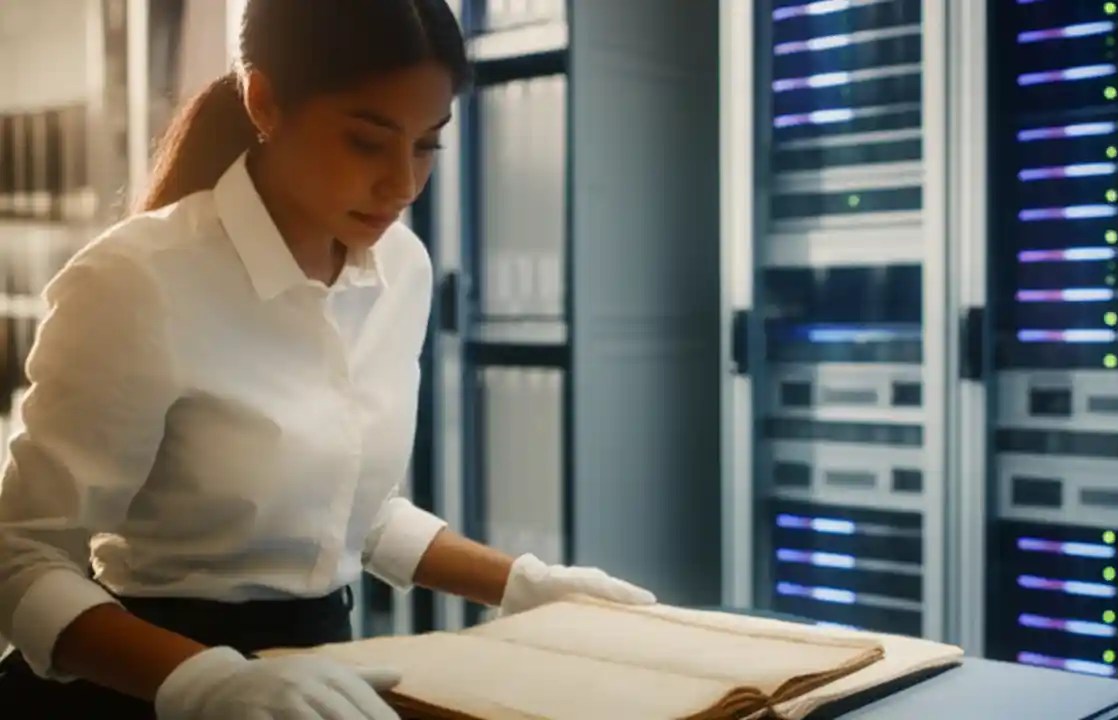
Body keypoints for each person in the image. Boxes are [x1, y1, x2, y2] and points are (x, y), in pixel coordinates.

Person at [0, 1, 656, 718]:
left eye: (427, 145)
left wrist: (525, 584)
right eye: (367, 142)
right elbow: (21, 560)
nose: (403, 185)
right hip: (143, 679)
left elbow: (345, 507)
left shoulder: (399, 268)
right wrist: (203, 681)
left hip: (318, 672)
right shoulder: (136, 282)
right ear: (265, 101)